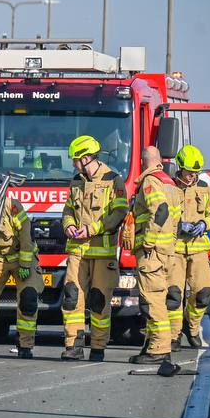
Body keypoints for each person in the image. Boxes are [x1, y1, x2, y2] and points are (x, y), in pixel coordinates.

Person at [61, 135, 129, 361]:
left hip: (102, 254)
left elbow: (119, 212)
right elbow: (68, 210)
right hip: (77, 252)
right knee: (72, 297)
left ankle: (98, 347)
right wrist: (69, 225)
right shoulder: (76, 181)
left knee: (99, 301)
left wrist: (92, 229)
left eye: (76, 159)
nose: (74, 164)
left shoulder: (113, 180)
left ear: (86, 158)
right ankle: (73, 345)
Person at [129, 146, 182, 376]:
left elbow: (160, 210)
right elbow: (176, 218)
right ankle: (154, 345)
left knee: (152, 300)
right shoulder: (170, 182)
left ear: (143, 162)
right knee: (159, 298)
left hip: (152, 251)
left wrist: (149, 241)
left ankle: (158, 348)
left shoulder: (150, 181)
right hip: (167, 250)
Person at [0, 192, 44, 358]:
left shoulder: (11, 206)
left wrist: (25, 264)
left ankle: (25, 345)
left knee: (28, 298)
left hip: (22, 257)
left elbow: (26, 234)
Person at [172, 145, 210, 348]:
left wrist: (204, 224)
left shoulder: (204, 188)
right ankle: (173, 335)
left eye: (196, 172)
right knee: (173, 295)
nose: (193, 176)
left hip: (198, 249)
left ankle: (191, 327)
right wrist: (178, 225)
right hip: (174, 250)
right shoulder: (169, 188)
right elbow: (158, 217)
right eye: (189, 172)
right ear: (180, 168)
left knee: (203, 292)